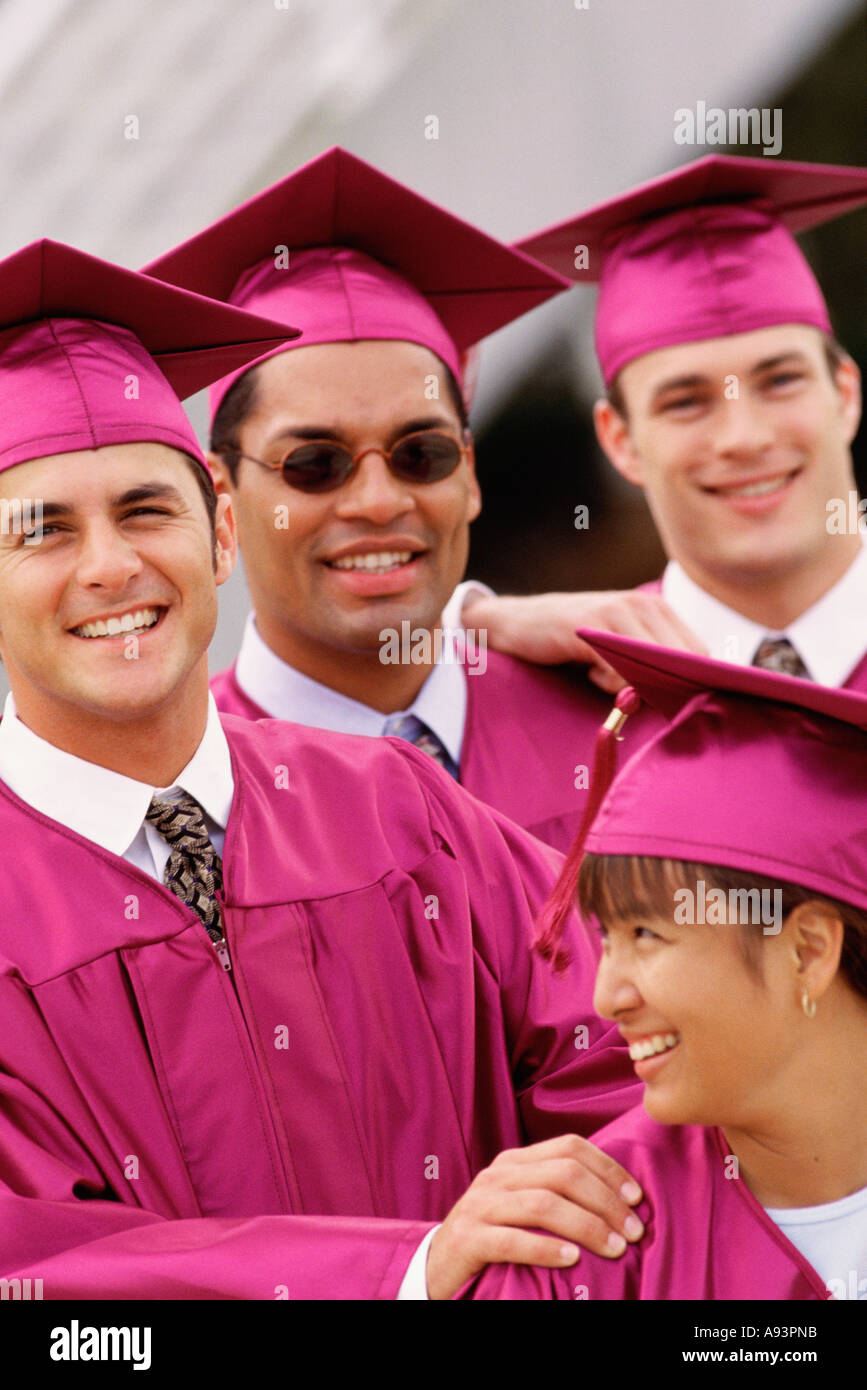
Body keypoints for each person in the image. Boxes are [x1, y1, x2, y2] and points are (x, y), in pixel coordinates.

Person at [0, 240, 643, 1302]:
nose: (110, 566)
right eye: (44, 530)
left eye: (145, 510)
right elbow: (40, 1278)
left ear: (218, 527)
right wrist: (408, 1271)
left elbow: (630, 1076)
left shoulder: (404, 812)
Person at [144, 147, 698, 851]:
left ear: (467, 474)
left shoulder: (624, 729)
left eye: (420, 455)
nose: (377, 502)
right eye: (316, 464)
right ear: (220, 501)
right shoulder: (176, 810)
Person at [461, 633, 867, 1300]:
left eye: (645, 934)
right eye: (605, 939)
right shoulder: (584, 1244)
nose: (604, 998)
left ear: (808, 951)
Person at [465, 155, 867, 693]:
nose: (744, 439)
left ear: (844, 393)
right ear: (619, 440)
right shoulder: (560, 693)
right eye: (686, 402)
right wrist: (472, 620)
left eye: (779, 382)